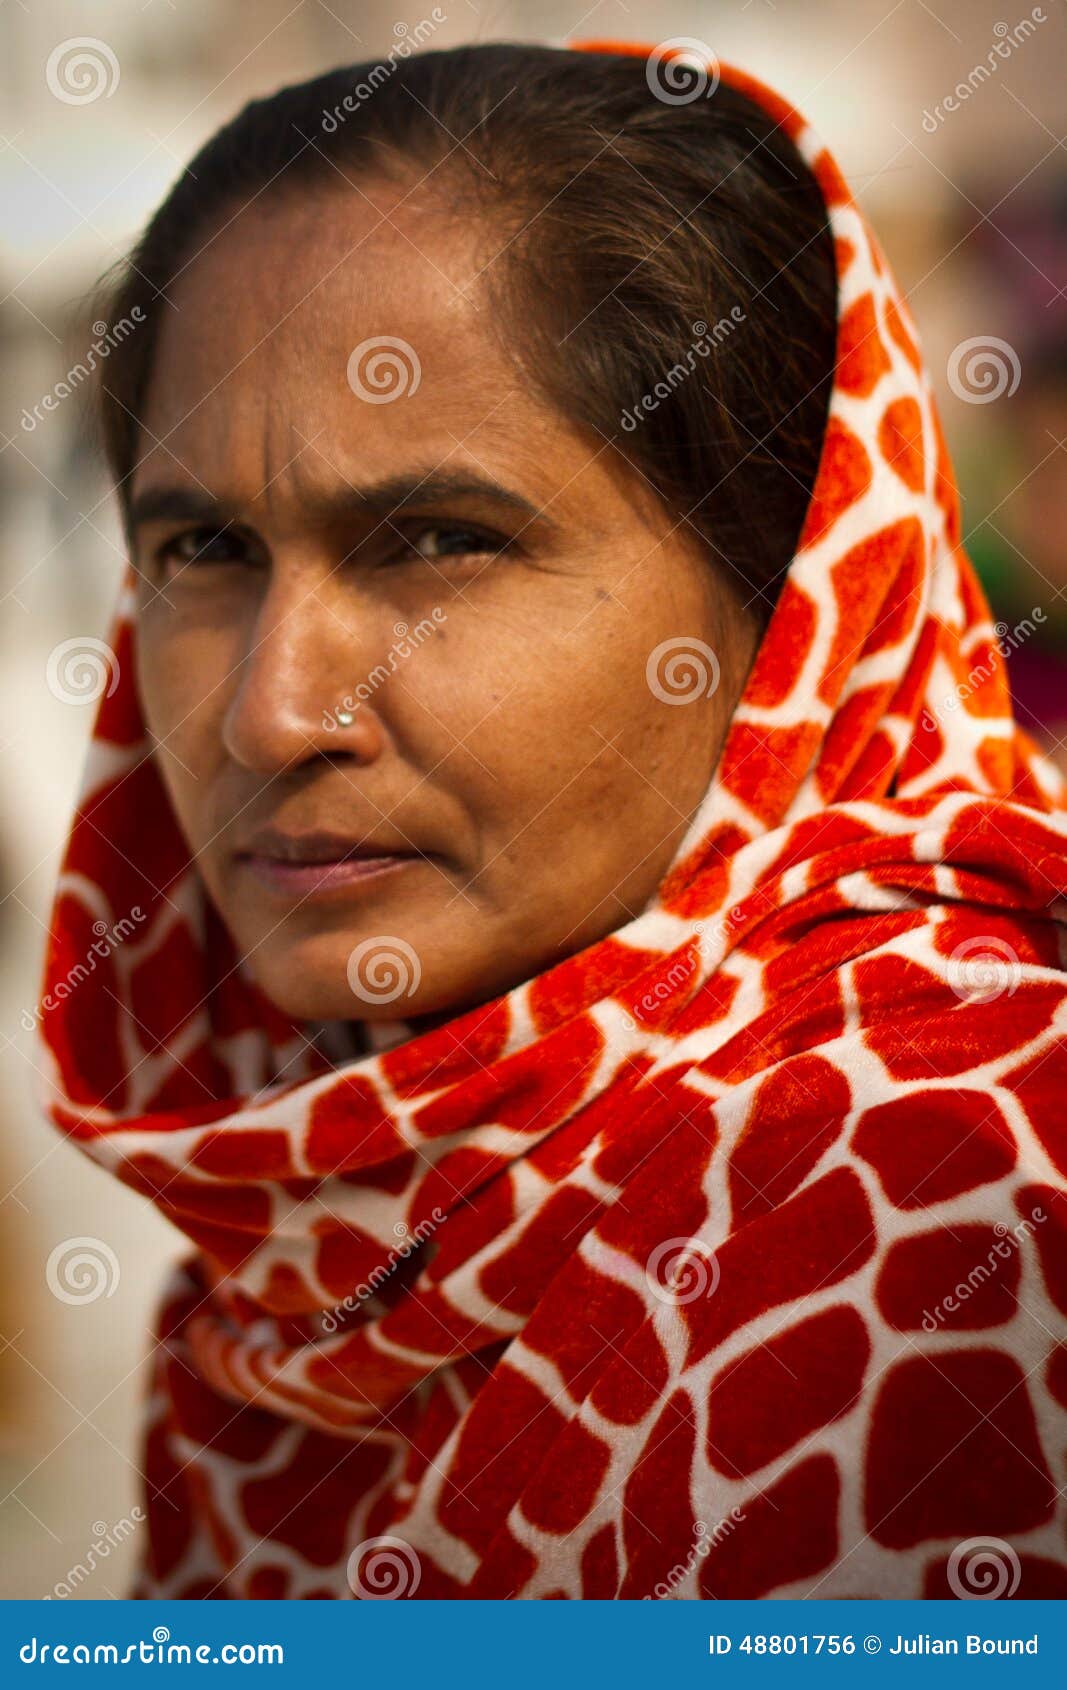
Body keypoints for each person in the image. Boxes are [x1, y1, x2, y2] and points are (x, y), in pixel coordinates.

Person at [35, 38, 1067, 1600]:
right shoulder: (316, 1219)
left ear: (790, 594)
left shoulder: (936, 1188)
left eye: (439, 538)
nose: (270, 712)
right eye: (205, 547)